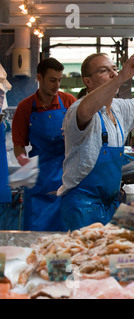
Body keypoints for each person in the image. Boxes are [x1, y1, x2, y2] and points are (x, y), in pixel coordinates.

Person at [57, 51, 134, 230]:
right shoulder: (77, 109)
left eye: (114, 69)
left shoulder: (118, 108)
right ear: (87, 81)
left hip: (112, 204)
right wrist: (122, 76)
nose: (113, 74)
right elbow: (86, 110)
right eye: (103, 71)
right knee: (88, 256)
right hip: (83, 207)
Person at [11, 58, 77, 231]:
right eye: (52, 80)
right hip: (38, 178)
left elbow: (83, 137)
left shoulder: (69, 102)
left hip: (65, 175)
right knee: (35, 232)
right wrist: (25, 166)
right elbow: (19, 145)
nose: (57, 85)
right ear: (39, 78)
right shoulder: (25, 108)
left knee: (63, 234)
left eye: (59, 80)